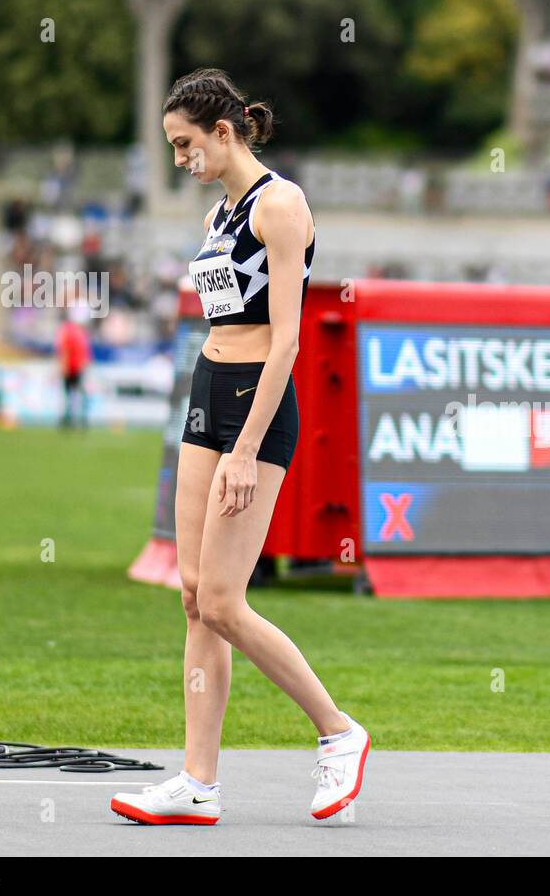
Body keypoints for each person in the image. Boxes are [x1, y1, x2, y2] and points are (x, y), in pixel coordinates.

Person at [110, 68, 368, 827]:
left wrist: (248, 448)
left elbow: (286, 339)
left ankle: (339, 731)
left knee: (224, 600)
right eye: (173, 149)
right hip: (208, 390)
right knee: (194, 597)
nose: (181, 160)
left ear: (224, 132)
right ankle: (197, 782)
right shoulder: (218, 214)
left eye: (187, 145)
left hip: (259, 403)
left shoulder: (280, 206)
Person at [56, 301, 91, 429]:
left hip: (78, 368)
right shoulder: (70, 331)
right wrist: (64, 367)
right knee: (70, 396)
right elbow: (64, 350)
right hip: (72, 368)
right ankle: (68, 420)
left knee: (75, 396)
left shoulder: (80, 332)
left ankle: (75, 420)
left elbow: (84, 353)